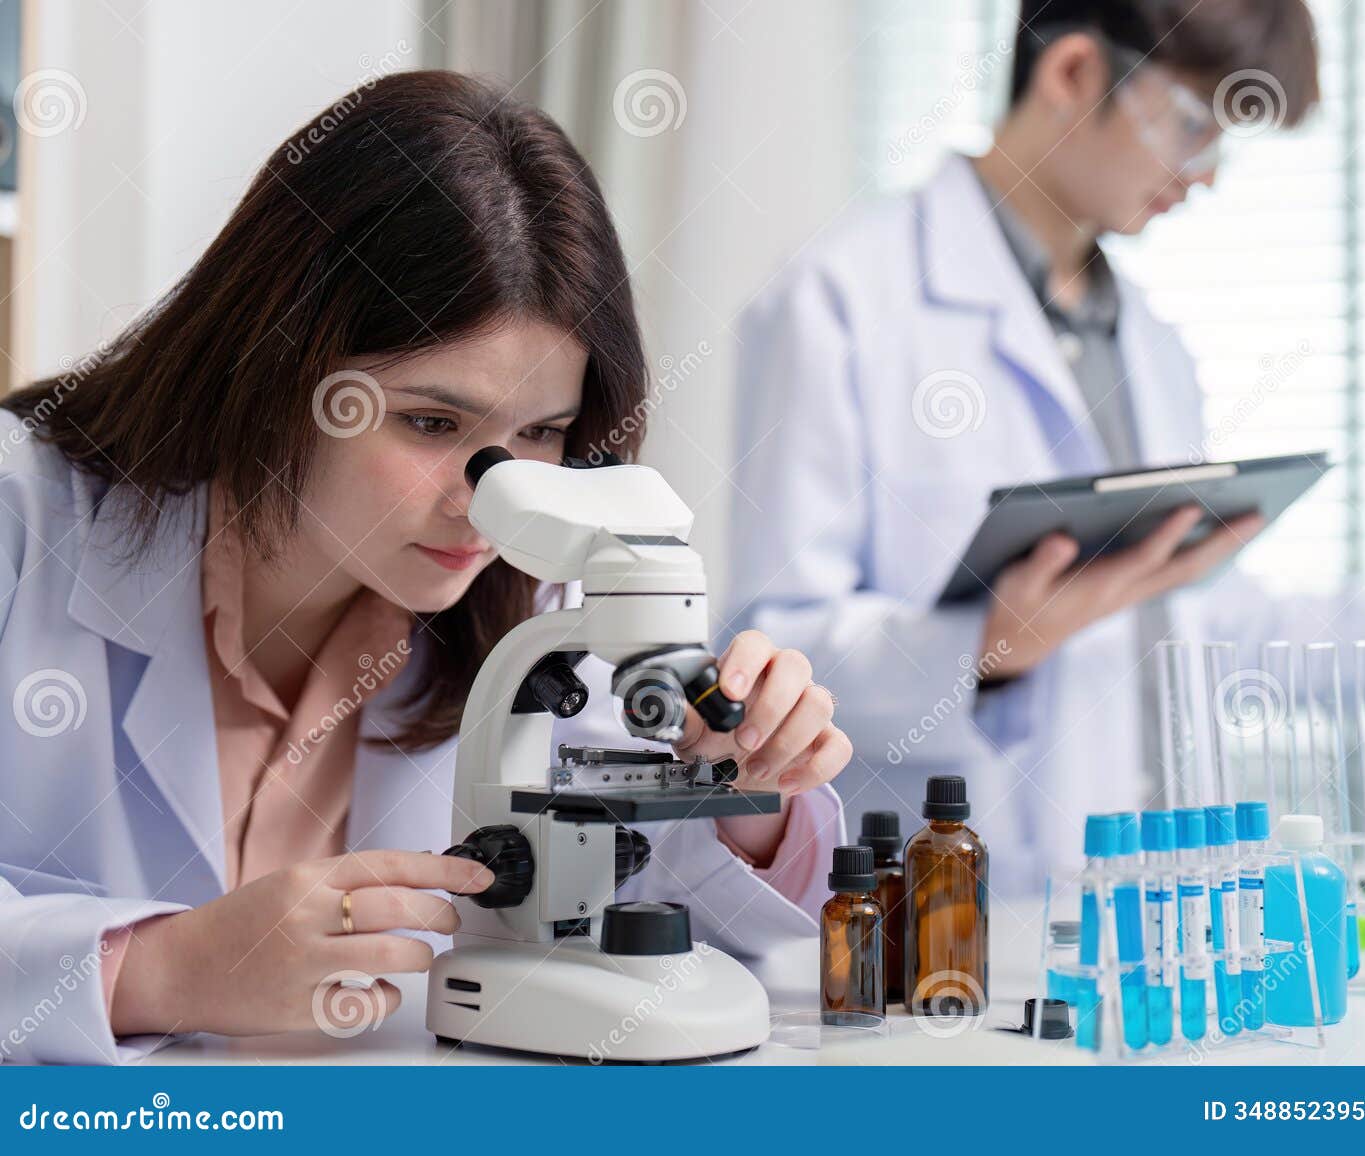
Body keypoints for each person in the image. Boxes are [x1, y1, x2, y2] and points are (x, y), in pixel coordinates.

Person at [0, 71, 851, 1064]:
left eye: (542, 432)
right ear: (272, 361)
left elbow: (672, 901)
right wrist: (163, 970)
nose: (487, 498)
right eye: (432, 423)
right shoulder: (21, 518)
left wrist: (752, 784)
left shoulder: (532, 592)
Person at [728, 0, 1365, 889]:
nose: (1206, 174)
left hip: (1136, 902)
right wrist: (988, 645)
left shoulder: (1149, 348)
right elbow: (773, 658)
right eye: (1192, 125)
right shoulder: (838, 301)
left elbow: (1208, 629)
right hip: (926, 903)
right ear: (1073, 73)